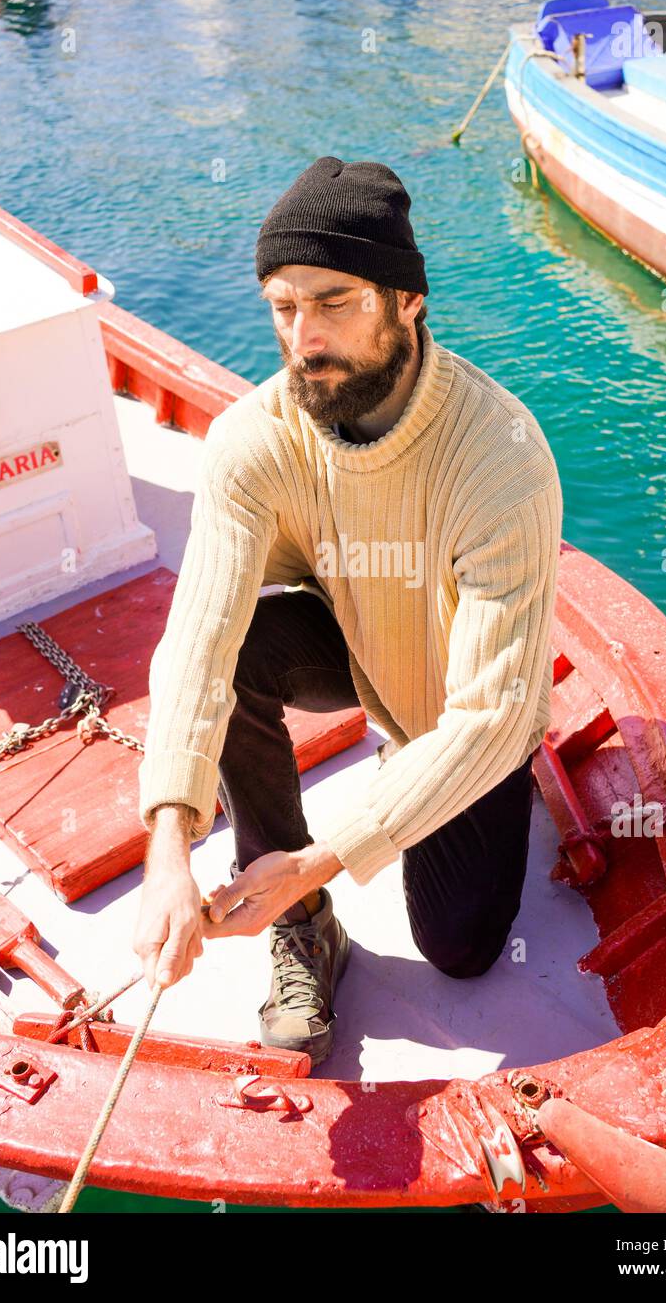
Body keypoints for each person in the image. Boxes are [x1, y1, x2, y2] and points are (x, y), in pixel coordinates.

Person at [133, 155, 563, 1067]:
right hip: (356, 637)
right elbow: (197, 641)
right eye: (283, 308)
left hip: (461, 704)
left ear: (408, 300)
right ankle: (304, 923)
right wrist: (168, 840)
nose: (304, 338)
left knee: (463, 952)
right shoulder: (255, 441)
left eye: (334, 303)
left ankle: (378, 807)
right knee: (236, 647)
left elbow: (491, 714)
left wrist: (333, 848)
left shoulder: (503, 459)